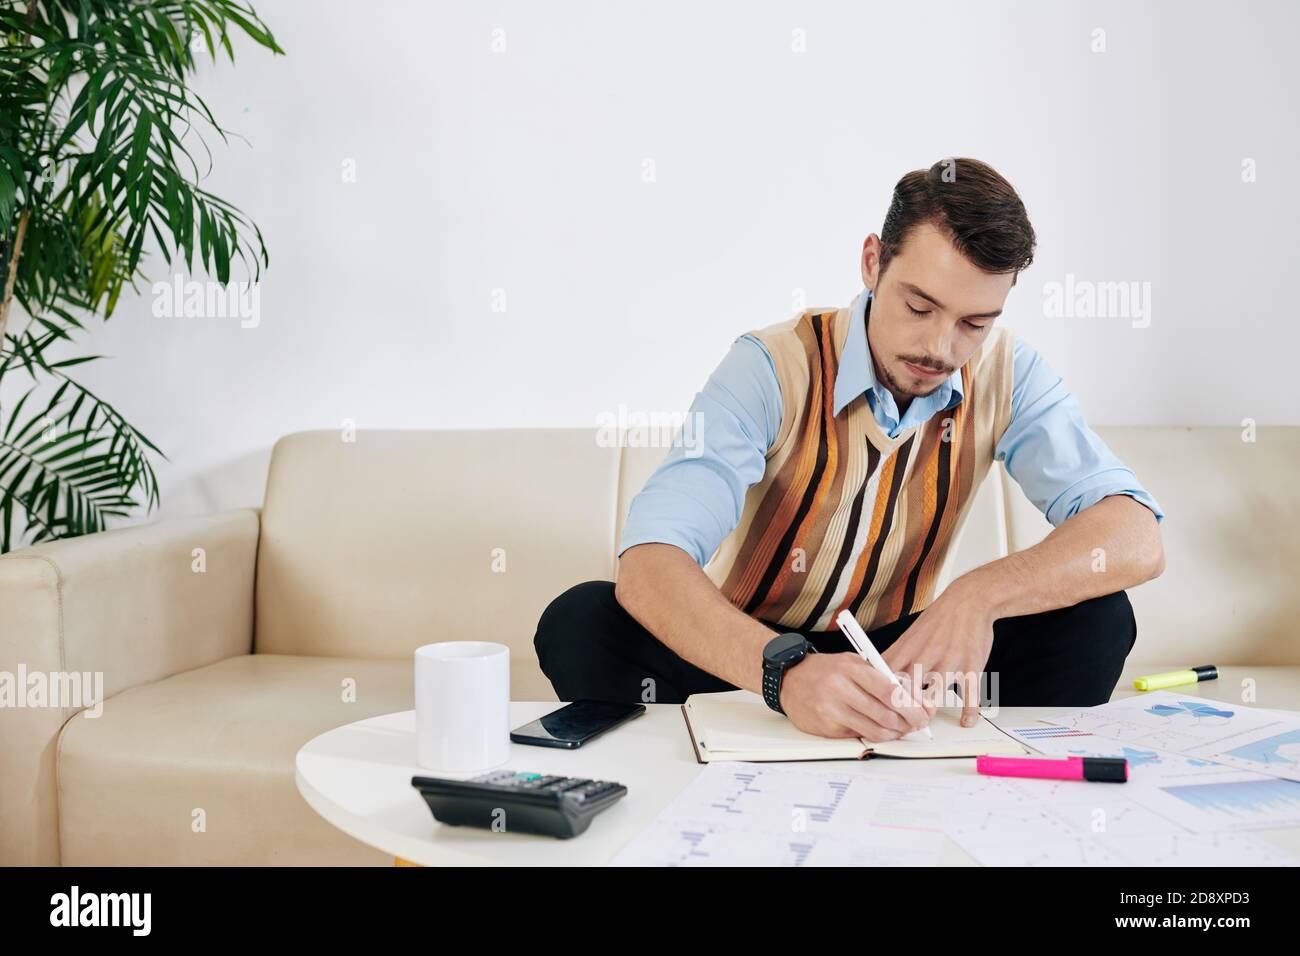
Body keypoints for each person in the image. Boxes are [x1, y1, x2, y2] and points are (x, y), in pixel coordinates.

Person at [535, 158, 1165, 742]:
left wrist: (979, 594)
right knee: (583, 621)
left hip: (898, 657)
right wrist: (785, 675)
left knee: (1099, 618)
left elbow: (1135, 536)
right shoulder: (769, 366)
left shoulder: (1010, 373)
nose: (940, 349)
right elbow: (649, 566)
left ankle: (962, 760)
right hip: (748, 654)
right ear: (872, 263)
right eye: (919, 306)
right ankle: (788, 714)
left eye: (975, 323)